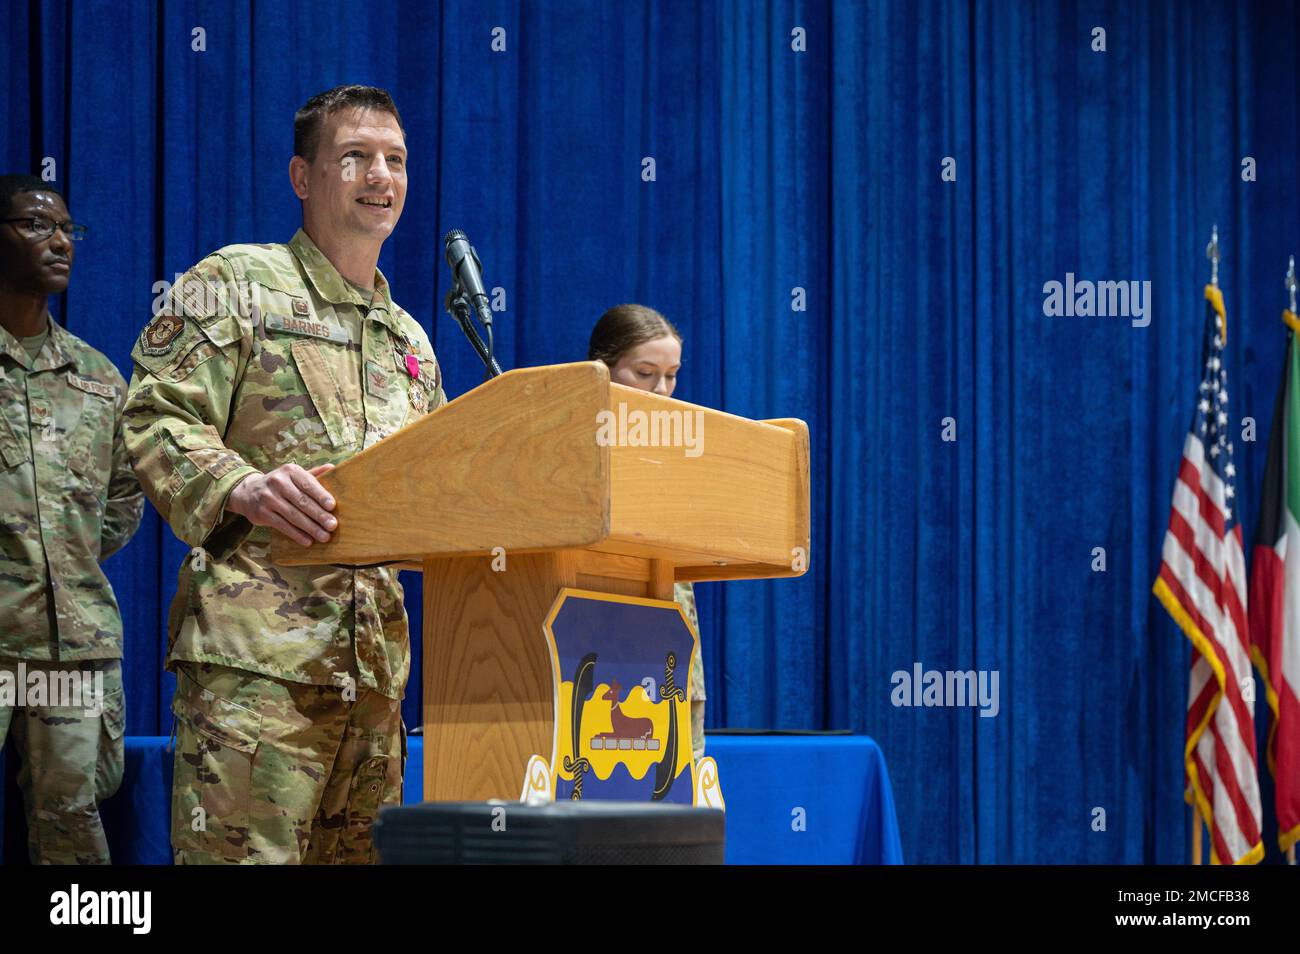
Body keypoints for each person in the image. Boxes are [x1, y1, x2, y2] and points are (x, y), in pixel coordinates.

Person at [123, 85, 445, 864]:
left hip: (375, 687)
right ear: (304, 178)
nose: (381, 175)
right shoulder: (239, 281)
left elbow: (443, 490)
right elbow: (150, 413)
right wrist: (242, 485)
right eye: (355, 157)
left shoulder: (411, 340)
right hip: (257, 676)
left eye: (396, 160)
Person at [0, 174, 144, 863]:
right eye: (34, 225)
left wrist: (59, 557)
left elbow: (120, 504)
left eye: (67, 229)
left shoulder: (97, 379)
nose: (59, 241)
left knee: (71, 821)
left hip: (72, 643)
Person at [588, 303, 707, 762]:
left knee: (679, 801)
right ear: (601, 370)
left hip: (673, 648)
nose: (662, 390)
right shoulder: (571, 447)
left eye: (672, 374)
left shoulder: (682, 446)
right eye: (645, 372)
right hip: (598, 652)